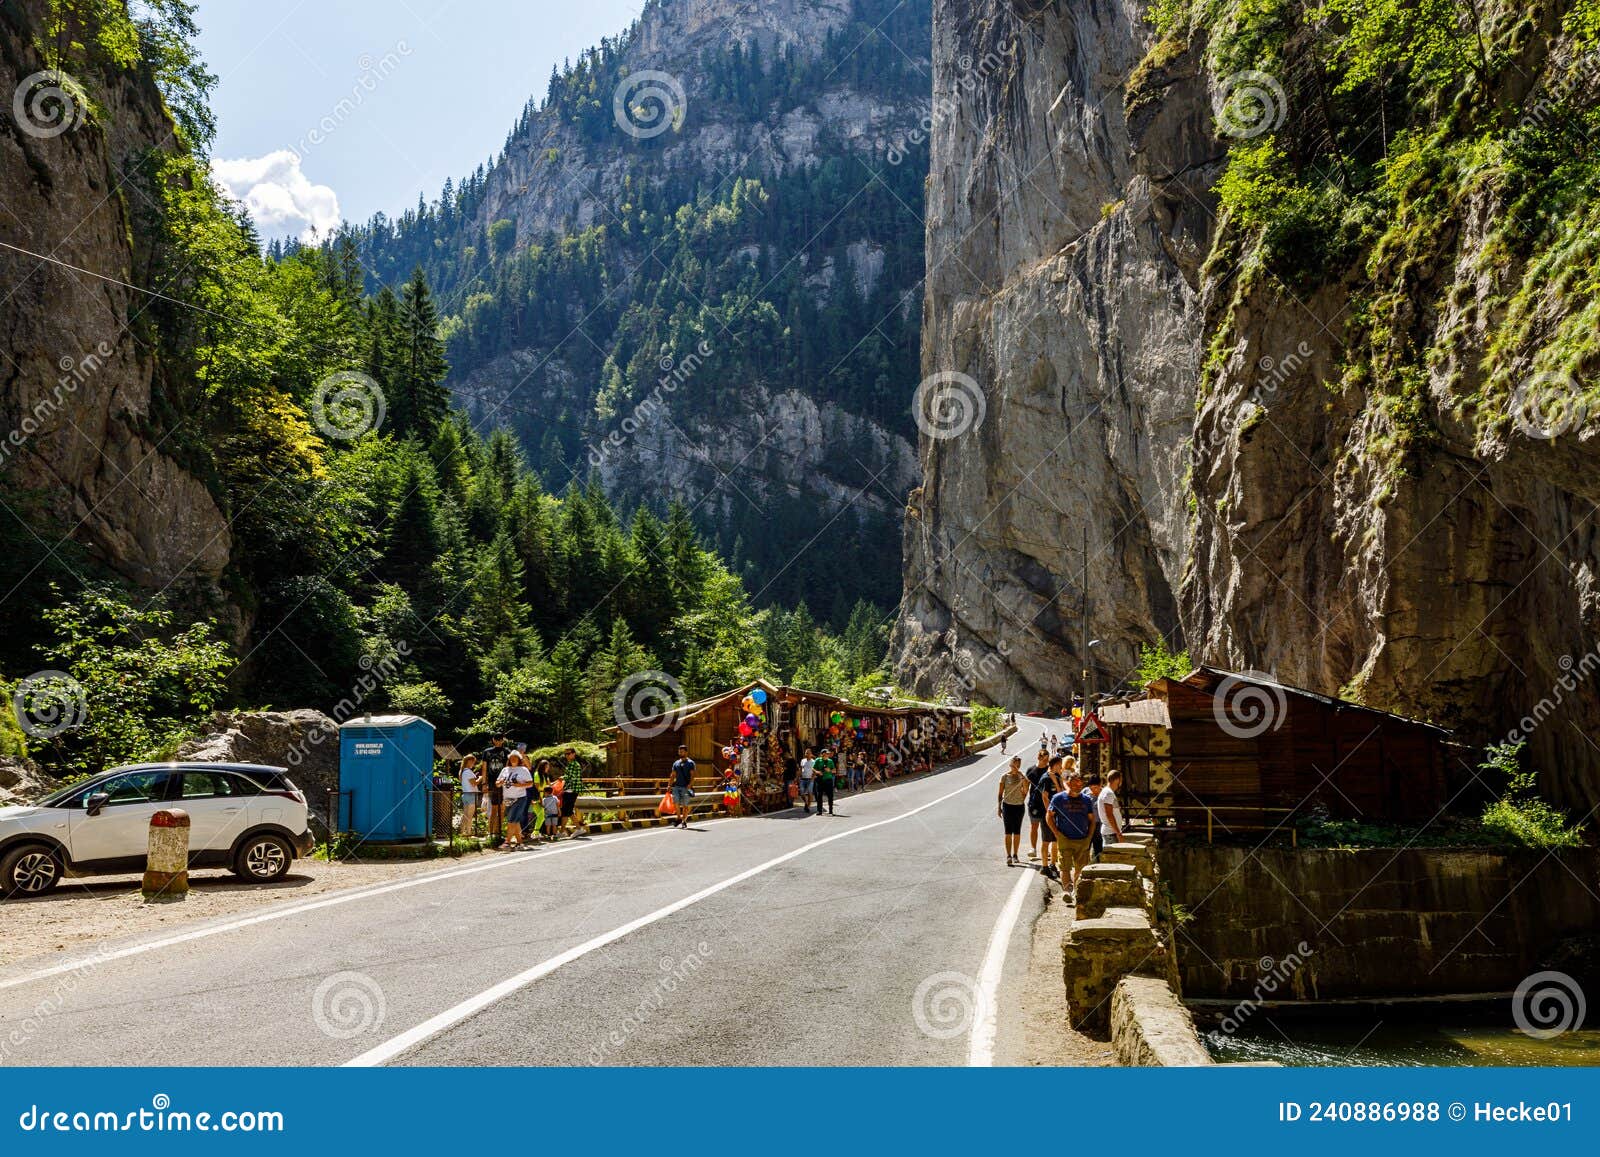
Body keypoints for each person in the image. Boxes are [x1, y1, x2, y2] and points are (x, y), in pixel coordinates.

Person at [1047, 770, 1097, 897]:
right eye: (1074, 784)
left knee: (1080, 868)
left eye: (1080, 785)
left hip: (1082, 839)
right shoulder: (1058, 798)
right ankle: (1067, 892)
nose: (1077, 787)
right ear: (1068, 783)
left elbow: (1092, 820)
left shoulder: (1086, 800)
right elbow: (1049, 817)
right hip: (1065, 838)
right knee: (1065, 867)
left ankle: (1075, 891)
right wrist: (1057, 834)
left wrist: (1089, 837)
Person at [997, 755, 1029, 865]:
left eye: (1018, 765)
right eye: (1014, 764)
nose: (1016, 766)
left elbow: (1026, 791)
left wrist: (1022, 777)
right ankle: (1008, 855)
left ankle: (1015, 854)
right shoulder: (1004, 777)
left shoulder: (1022, 777)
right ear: (1010, 764)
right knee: (1008, 832)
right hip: (1007, 806)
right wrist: (999, 808)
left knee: (1017, 831)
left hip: (1019, 806)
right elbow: (1000, 793)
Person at [1036, 756, 1065, 879]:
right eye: (1060, 765)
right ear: (1055, 765)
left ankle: (1053, 864)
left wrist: (1058, 782)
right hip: (1048, 815)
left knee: (1055, 840)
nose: (1061, 767)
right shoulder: (1046, 778)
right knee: (1046, 840)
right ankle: (1044, 866)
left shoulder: (1057, 777)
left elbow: (1061, 793)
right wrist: (1049, 813)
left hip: (1057, 814)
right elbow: (1044, 797)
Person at [498, 750, 534, 848]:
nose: (513, 759)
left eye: (515, 757)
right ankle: (520, 843)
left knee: (512, 820)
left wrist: (519, 785)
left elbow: (530, 783)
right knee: (515, 821)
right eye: (511, 758)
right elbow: (497, 783)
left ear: (519, 759)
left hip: (520, 797)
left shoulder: (523, 769)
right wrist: (500, 782)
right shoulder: (505, 769)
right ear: (509, 759)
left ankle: (507, 842)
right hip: (507, 798)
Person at [478, 735, 511, 840]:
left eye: (500, 739)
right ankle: (490, 832)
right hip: (492, 783)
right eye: (496, 739)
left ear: (503, 740)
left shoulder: (507, 751)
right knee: (493, 808)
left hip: (503, 782)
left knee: (502, 808)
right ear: (493, 740)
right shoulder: (487, 752)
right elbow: (484, 768)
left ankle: (498, 832)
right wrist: (484, 783)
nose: (498, 741)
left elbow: (509, 767)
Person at [1025, 750, 1052, 861]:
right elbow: (1026, 786)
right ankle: (1033, 848)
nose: (1046, 762)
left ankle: (1047, 849)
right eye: (1044, 759)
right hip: (1034, 803)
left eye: (1047, 759)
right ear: (1039, 757)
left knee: (1047, 827)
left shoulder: (1049, 770)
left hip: (1047, 802)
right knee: (1034, 826)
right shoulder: (1030, 770)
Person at [558, 746, 586, 837]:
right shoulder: (571, 764)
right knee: (568, 811)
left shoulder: (574, 764)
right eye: (565, 754)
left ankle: (563, 831)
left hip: (571, 790)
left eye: (569, 753)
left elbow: (572, 777)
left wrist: (563, 777)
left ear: (574, 754)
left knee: (566, 811)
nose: (567, 755)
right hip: (569, 789)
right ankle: (576, 829)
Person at [1096, 769, 1126, 846]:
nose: (1121, 782)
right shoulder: (1108, 793)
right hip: (1110, 834)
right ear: (1117, 780)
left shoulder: (1108, 792)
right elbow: (1109, 814)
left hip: (1111, 833)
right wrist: (1118, 833)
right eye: (1121, 779)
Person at [670, 744, 696, 829]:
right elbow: (673, 775)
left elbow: (692, 776)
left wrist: (690, 785)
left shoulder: (691, 763)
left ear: (686, 752)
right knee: (676, 802)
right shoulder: (676, 763)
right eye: (679, 751)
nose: (680, 753)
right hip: (677, 786)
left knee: (685, 806)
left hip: (686, 787)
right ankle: (678, 818)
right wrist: (669, 785)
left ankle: (684, 821)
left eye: (682, 751)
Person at [457, 754, 482, 838]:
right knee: (470, 815)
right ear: (469, 761)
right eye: (473, 762)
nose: (474, 764)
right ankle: (468, 833)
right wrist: (480, 778)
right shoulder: (468, 772)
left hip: (465, 794)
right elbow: (474, 783)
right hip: (471, 795)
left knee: (465, 814)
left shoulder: (462, 771)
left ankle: (462, 832)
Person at [813, 748, 837, 815]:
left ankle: (830, 810)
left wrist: (830, 770)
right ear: (822, 754)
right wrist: (817, 772)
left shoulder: (830, 761)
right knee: (819, 796)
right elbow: (813, 768)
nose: (828, 755)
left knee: (830, 796)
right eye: (826, 753)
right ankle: (819, 811)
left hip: (828, 780)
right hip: (819, 780)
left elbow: (834, 771)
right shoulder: (818, 760)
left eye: (828, 754)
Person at [798, 748, 816, 814]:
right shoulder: (802, 760)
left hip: (810, 779)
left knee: (809, 793)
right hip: (803, 779)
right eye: (806, 753)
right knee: (801, 793)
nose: (807, 754)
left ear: (811, 754)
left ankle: (808, 806)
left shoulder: (813, 761)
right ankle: (806, 803)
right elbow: (800, 769)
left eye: (808, 753)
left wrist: (812, 778)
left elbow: (815, 771)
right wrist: (798, 777)